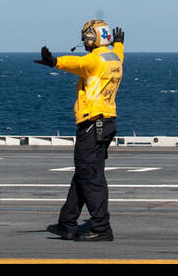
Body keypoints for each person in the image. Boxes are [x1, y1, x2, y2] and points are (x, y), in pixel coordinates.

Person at [34, 19, 124, 241]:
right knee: (85, 174)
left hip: (93, 123)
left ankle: (102, 228)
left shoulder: (95, 61)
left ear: (95, 38)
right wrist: (120, 44)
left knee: (91, 178)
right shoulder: (114, 57)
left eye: (87, 37)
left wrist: (54, 62)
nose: (85, 41)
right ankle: (67, 224)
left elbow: (77, 64)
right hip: (106, 122)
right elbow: (117, 54)